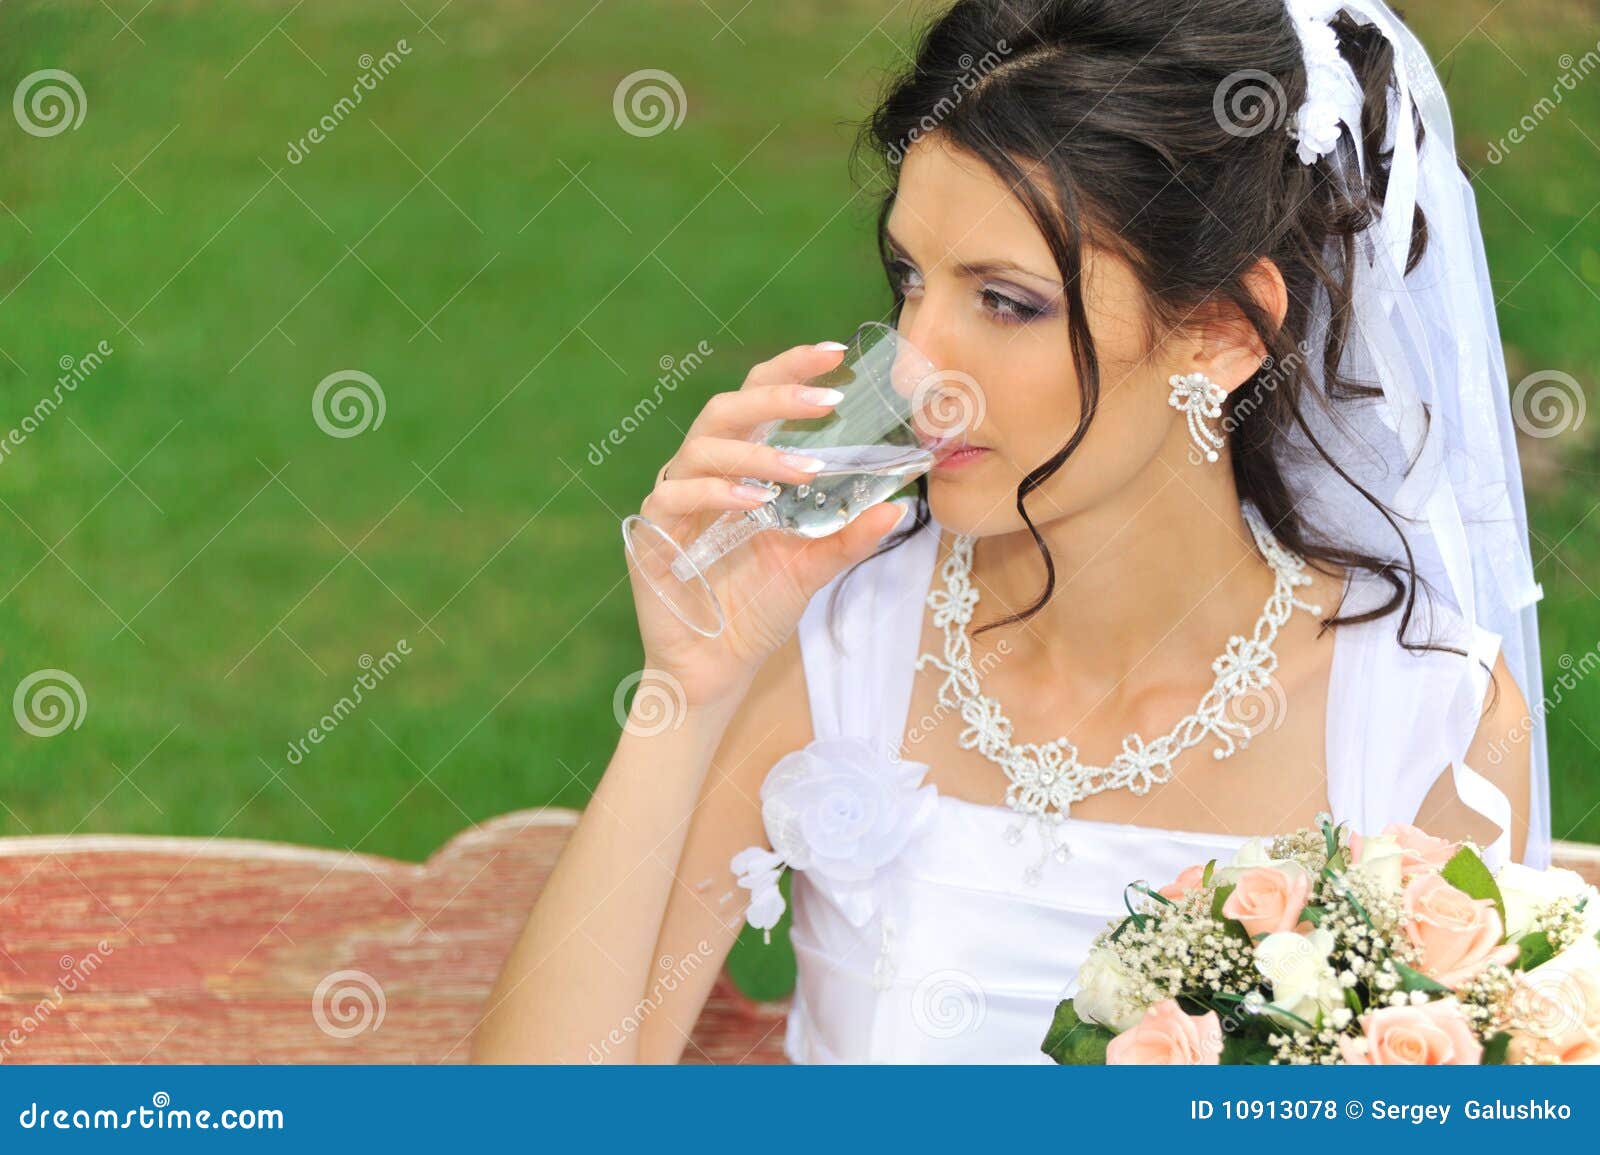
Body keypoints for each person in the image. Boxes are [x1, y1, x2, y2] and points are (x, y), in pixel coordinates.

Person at [471, 0, 1548, 1063]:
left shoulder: (1422, 716)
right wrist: (686, 693)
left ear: (1222, 330)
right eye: (908, 280)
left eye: (1004, 301)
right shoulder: (830, 646)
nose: (910, 364)